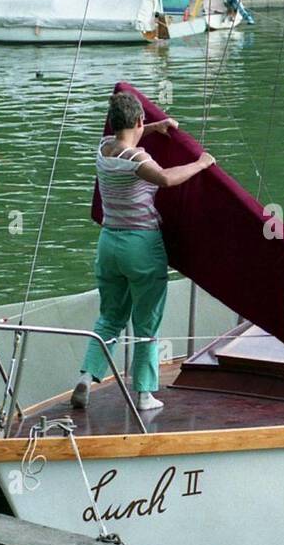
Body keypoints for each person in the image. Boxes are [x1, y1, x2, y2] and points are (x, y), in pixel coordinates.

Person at [72, 91, 216, 412]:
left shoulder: (103, 149)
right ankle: (145, 394)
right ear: (138, 121)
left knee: (110, 317)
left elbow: (126, 135)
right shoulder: (137, 160)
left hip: (109, 243)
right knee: (146, 324)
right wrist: (200, 163)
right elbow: (165, 178)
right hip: (141, 246)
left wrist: (156, 127)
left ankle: (86, 376)